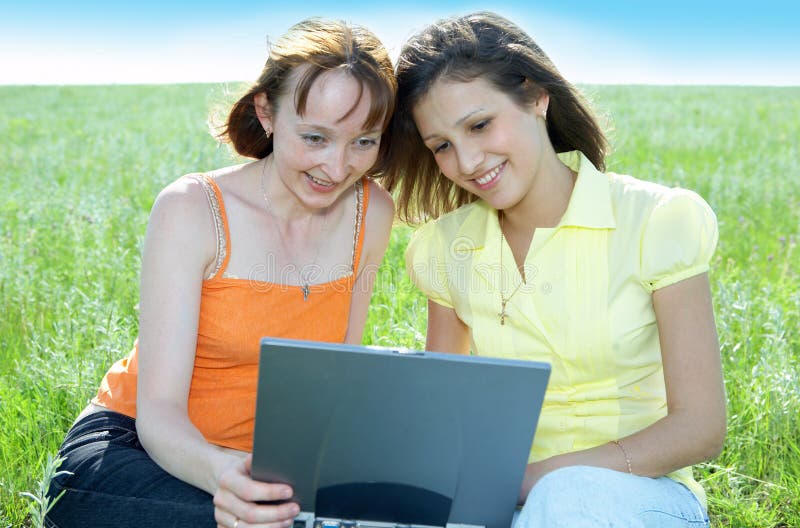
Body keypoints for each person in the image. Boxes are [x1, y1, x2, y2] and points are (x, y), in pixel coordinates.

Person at [46, 18, 396, 528]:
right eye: (315, 137)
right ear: (266, 113)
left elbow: (332, 378)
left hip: (265, 466)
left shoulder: (372, 213)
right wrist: (225, 477)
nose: (338, 166)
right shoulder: (192, 208)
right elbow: (159, 414)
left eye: (364, 142)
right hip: (135, 448)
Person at [382, 11, 726, 527]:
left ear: (536, 96)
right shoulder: (444, 249)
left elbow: (700, 427)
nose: (469, 161)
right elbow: (444, 415)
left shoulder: (656, 220)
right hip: (503, 501)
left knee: (567, 501)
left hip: (643, 496)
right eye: (443, 147)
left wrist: (537, 480)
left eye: (480, 125)